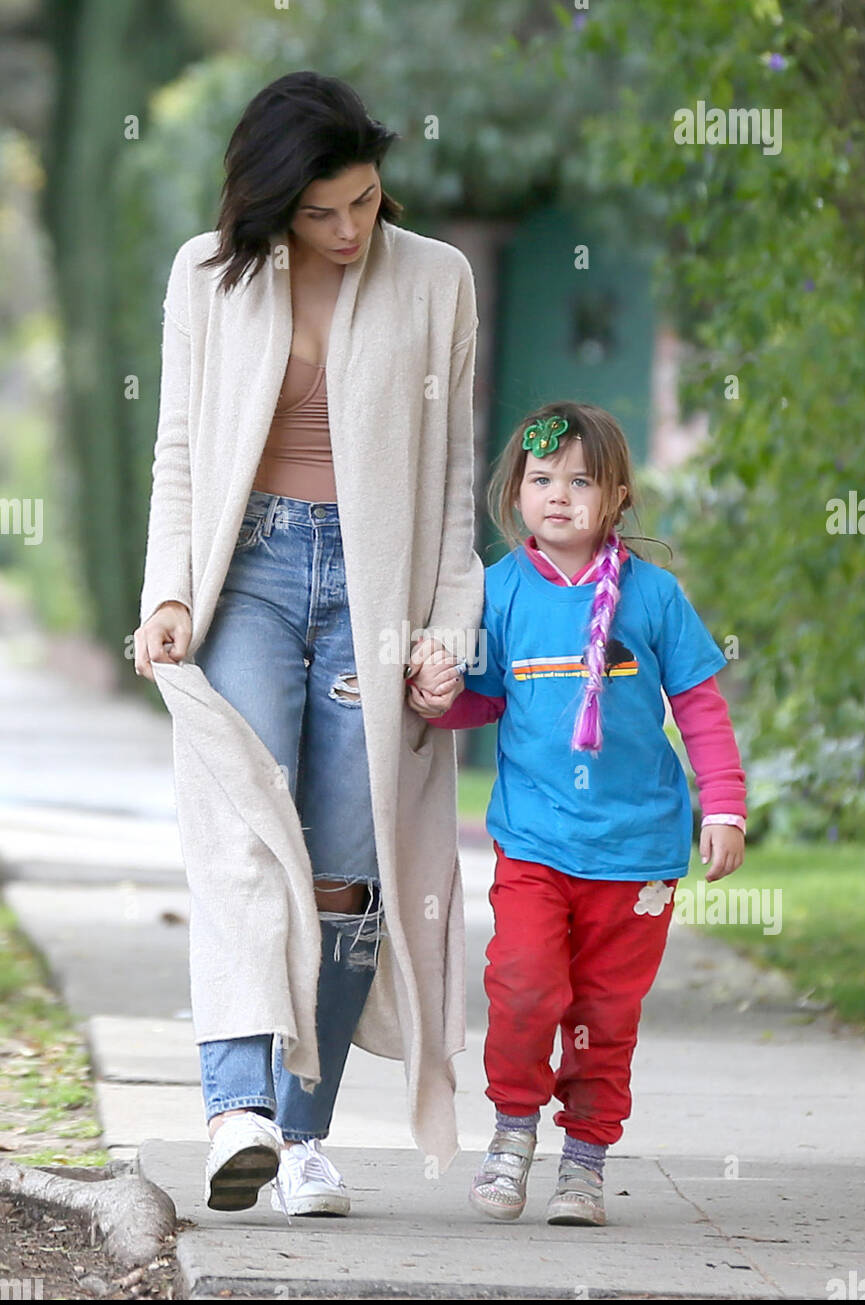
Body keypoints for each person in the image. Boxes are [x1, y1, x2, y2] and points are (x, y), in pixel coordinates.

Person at [134, 72, 482, 1218]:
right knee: (240, 829)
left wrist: (446, 627)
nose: (346, 231)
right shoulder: (207, 274)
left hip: (372, 591)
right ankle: (235, 1107)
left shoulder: (437, 280)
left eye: (365, 203)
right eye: (319, 212)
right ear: (271, 206)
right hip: (251, 578)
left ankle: (302, 1135)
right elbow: (179, 446)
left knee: (343, 870)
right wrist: (169, 593)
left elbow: (450, 480)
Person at [408, 401, 747, 1226]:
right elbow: (479, 706)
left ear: (619, 497)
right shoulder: (497, 591)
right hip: (536, 845)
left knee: (605, 1014)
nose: (558, 495)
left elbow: (699, 705)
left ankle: (585, 1161)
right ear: (515, 493)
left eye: (581, 481)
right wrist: (435, 694)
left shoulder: (655, 597)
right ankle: (513, 1131)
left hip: (637, 855)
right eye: (541, 479)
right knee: (523, 986)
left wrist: (725, 806)